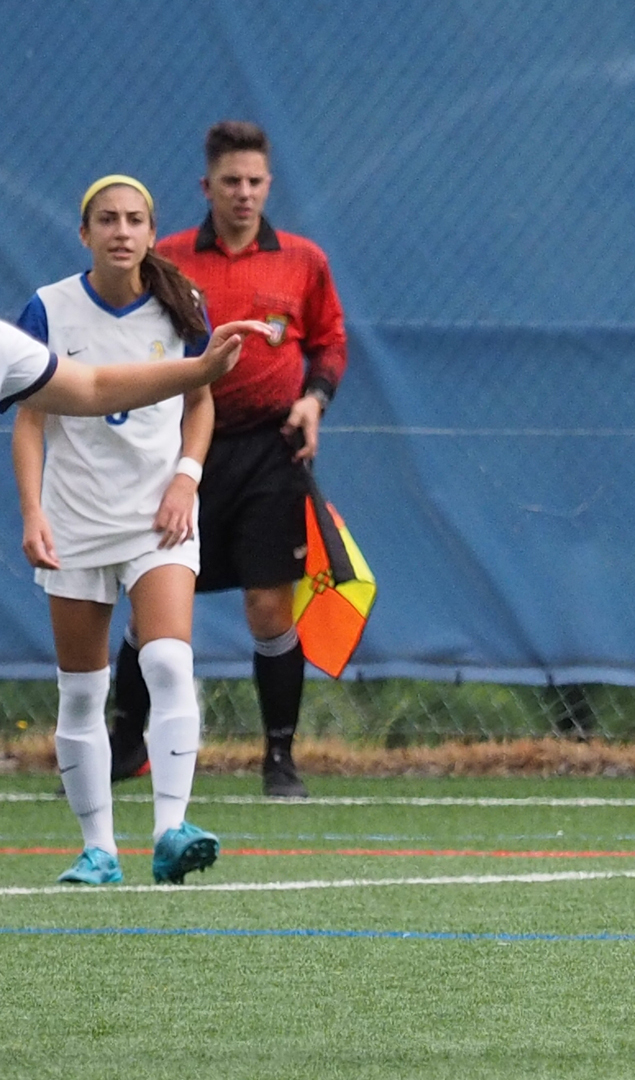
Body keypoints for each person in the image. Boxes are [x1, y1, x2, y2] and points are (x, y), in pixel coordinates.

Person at [8, 174, 270, 885]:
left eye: (134, 220)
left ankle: (169, 829)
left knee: (166, 662)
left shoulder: (180, 305)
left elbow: (200, 402)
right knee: (83, 690)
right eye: (106, 220)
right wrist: (33, 512)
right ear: (84, 232)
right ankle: (99, 850)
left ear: (153, 233)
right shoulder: (48, 310)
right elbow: (32, 420)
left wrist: (187, 474)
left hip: (157, 517)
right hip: (74, 519)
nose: (121, 232)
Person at [109, 120, 348, 798]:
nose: (244, 194)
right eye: (231, 182)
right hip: (182, 450)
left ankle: (279, 758)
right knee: (152, 602)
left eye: (255, 182)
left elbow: (330, 343)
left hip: (272, 454)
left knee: (269, 607)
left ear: (269, 185)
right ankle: (129, 742)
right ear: (206, 186)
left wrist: (314, 401)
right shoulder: (170, 257)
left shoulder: (303, 260)